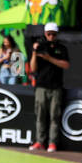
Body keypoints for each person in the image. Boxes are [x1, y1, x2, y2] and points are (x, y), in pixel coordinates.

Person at [29, 22, 69, 153]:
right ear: (45, 34)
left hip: (56, 86)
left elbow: (65, 65)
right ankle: (40, 141)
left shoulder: (61, 48)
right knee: (40, 114)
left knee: (54, 116)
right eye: (49, 34)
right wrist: (35, 52)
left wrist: (49, 58)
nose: (51, 36)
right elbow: (33, 68)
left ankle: (52, 142)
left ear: (56, 34)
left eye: (53, 34)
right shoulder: (40, 46)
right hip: (41, 85)